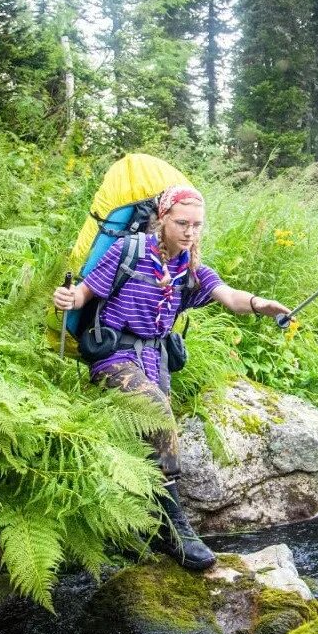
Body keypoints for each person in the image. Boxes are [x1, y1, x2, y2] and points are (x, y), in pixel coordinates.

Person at [51, 185, 291, 571]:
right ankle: (173, 530)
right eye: (182, 223)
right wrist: (68, 299)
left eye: (197, 225)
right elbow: (82, 293)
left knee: (150, 433)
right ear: (162, 219)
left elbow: (228, 296)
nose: (190, 232)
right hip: (112, 356)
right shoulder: (127, 252)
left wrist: (260, 305)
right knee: (158, 414)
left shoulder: (191, 269)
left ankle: (140, 523)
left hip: (155, 363)